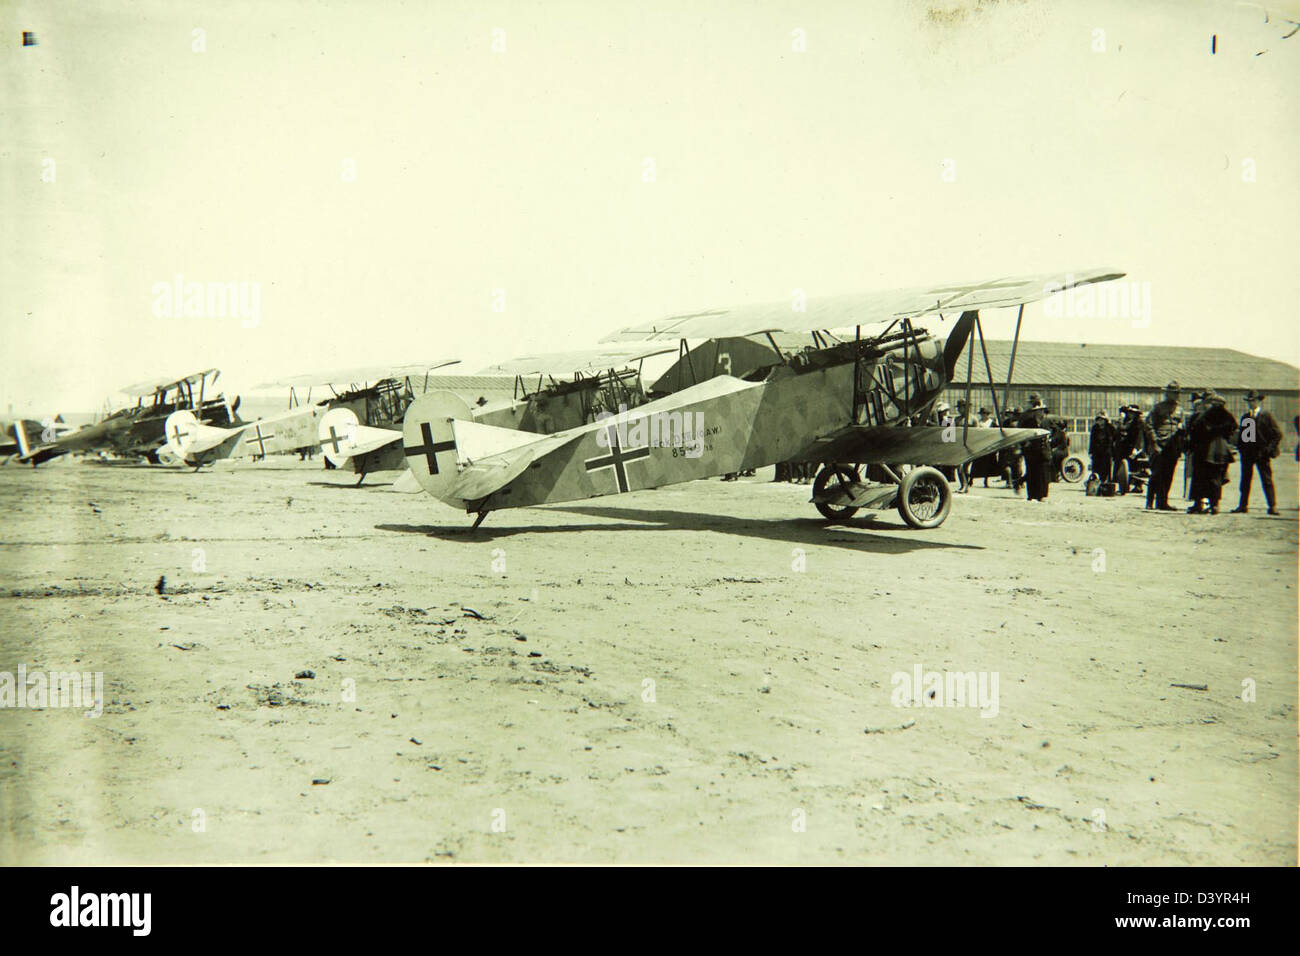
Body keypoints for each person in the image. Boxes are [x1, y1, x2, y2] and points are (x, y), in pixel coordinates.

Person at [1231, 389, 1281, 515]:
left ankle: (1272, 506)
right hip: (1248, 454)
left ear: (1259, 401)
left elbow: (1277, 434)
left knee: (1267, 479)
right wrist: (1242, 450)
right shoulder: (1246, 417)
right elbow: (1244, 437)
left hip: (1262, 454)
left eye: (1252, 401)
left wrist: (1268, 449)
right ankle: (1243, 505)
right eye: (1249, 401)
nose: (1250, 403)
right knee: (1246, 479)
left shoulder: (1266, 416)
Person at [1186, 390, 1236, 514]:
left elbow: (1195, 431)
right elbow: (1233, 428)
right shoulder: (1223, 414)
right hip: (1212, 451)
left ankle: (1209, 504)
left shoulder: (1207, 415)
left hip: (1210, 450)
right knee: (1208, 478)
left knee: (1211, 477)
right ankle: (1206, 504)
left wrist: (1248, 445)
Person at [1144, 381, 1183, 511]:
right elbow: (1149, 425)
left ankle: (1163, 502)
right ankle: (1150, 502)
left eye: (1178, 393)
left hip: (1173, 447)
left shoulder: (1179, 410)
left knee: (1168, 475)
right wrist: (1154, 444)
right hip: (1160, 445)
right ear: (1167, 393)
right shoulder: (1158, 408)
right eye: (1173, 393)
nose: (1176, 396)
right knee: (1156, 475)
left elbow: (1181, 426)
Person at [1018, 394, 1052, 501]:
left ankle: (1042, 495)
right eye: (1037, 410)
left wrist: (1050, 442)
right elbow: (1021, 434)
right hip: (1031, 451)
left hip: (1043, 450)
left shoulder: (1047, 421)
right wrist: (1025, 445)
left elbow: (1056, 433)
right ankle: (1031, 495)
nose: (1040, 412)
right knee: (1032, 472)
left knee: (1043, 474)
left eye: (1041, 410)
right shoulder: (1027, 421)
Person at [1088, 411, 1115, 484]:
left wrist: (1113, 452)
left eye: (1102, 419)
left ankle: (1105, 482)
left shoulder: (1110, 428)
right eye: (1099, 419)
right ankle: (1096, 481)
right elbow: (1092, 440)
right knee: (1096, 467)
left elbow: (1114, 440)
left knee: (1105, 467)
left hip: (1107, 451)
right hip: (1096, 451)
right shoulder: (1095, 428)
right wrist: (1090, 452)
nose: (1100, 421)